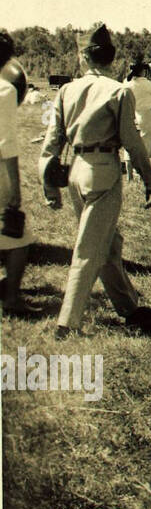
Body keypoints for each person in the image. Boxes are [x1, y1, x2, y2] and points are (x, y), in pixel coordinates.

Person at [40, 23, 151, 337]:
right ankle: (67, 323)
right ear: (112, 58)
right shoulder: (118, 90)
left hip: (76, 173)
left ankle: (130, 309)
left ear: (83, 57)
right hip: (103, 172)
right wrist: (150, 180)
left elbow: (51, 143)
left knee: (108, 243)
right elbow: (132, 141)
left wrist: (48, 184)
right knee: (89, 249)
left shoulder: (66, 90)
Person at [0, 31, 37, 316]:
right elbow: (7, 144)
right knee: (19, 238)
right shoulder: (5, 90)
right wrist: (16, 189)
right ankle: (11, 298)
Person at [123, 60, 151, 182]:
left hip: (130, 114)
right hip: (144, 115)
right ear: (143, 71)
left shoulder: (126, 82)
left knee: (130, 145)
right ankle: (142, 174)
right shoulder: (145, 83)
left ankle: (130, 176)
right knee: (144, 145)